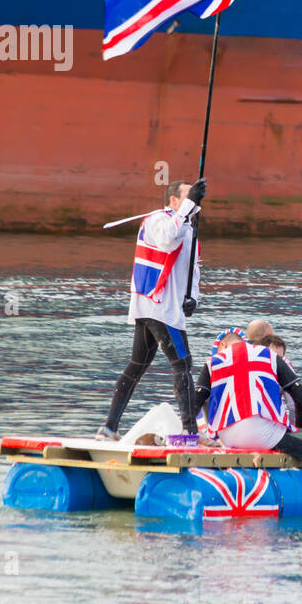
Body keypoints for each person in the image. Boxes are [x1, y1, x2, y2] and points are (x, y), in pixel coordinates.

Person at [194, 328, 302, 516]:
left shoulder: (212, 362)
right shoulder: (270, 356)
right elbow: (301, 397)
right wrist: (300, 426)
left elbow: (195, 402)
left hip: (227, 437)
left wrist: (193, 435)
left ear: (223, 346)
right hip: (265, 434)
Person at [98, 178, 205, 440]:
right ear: (173, 201)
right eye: (186, 196)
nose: (191, 202)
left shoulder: (187, 228)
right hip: (159, 308)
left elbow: (192, 270)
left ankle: (109, 428)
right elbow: (168, 239)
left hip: (163, 308)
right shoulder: (159, 220)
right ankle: (190, 432)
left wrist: (193, 298)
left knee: (137, 365)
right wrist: (190, 203)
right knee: (183, 364)